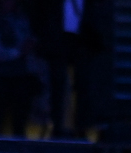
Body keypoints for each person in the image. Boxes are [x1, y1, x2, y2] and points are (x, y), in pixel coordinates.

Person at [37, 0, 104, 136]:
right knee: (58, 86)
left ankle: (80, 127)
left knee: (82, 86)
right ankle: (58, 126)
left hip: (82, 40)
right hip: (59, 40)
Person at [0, 0, 42, 136]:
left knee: (20, 117)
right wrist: (19, 52)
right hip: (0, 77)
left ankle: (20, 149)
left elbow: (28, 39)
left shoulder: (21, 20)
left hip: (21, 76)